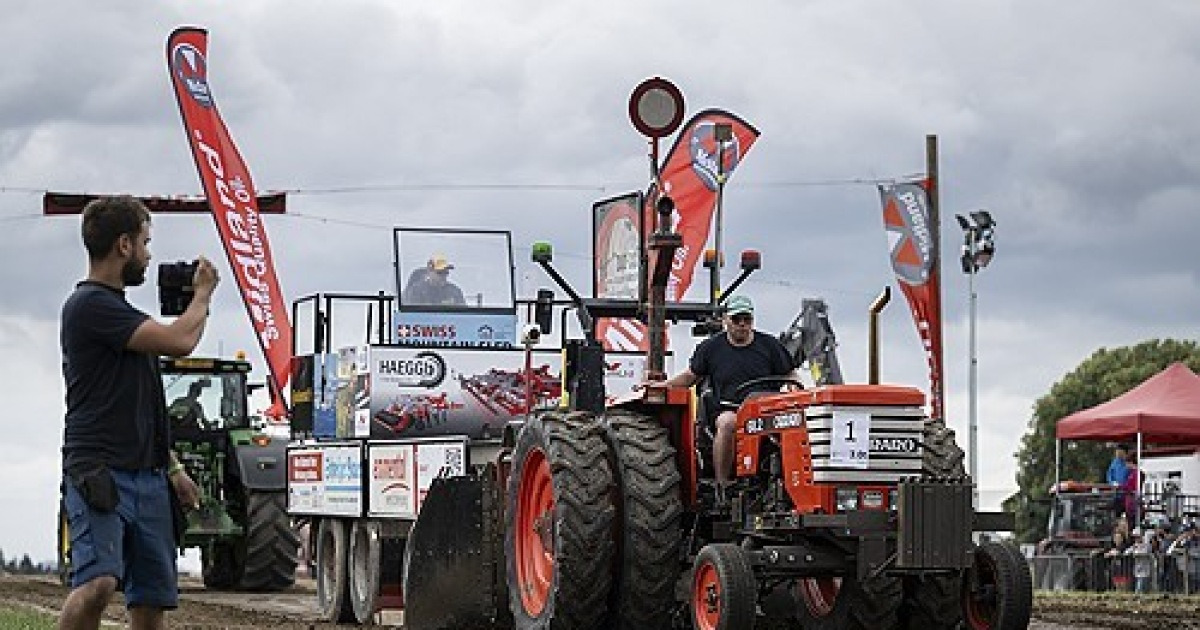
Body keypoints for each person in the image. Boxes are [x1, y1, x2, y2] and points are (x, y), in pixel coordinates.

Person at [59, 196, 217, 630]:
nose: (149, 255)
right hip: (100, 471)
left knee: (149, 604)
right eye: (145, 243)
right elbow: (182, 340)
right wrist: (202, 294)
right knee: (98, 583)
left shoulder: (124, 314)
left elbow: (146, 405)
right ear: (124, 245)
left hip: (147, 476)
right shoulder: (90, 306)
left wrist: (172, 469)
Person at [656, 295, 798, 489]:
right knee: (727, 423)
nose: (742, 324)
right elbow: (690, 377)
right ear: (725, 320)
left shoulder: (770, 346)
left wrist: (796, 390)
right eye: (736, 319)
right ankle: (723, 483)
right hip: (730, 409)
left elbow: (791, 375)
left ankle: (792, 482)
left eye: (746, 319)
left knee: (797, 423)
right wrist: (663, 386)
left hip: (767, 410)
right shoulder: (711, 349)